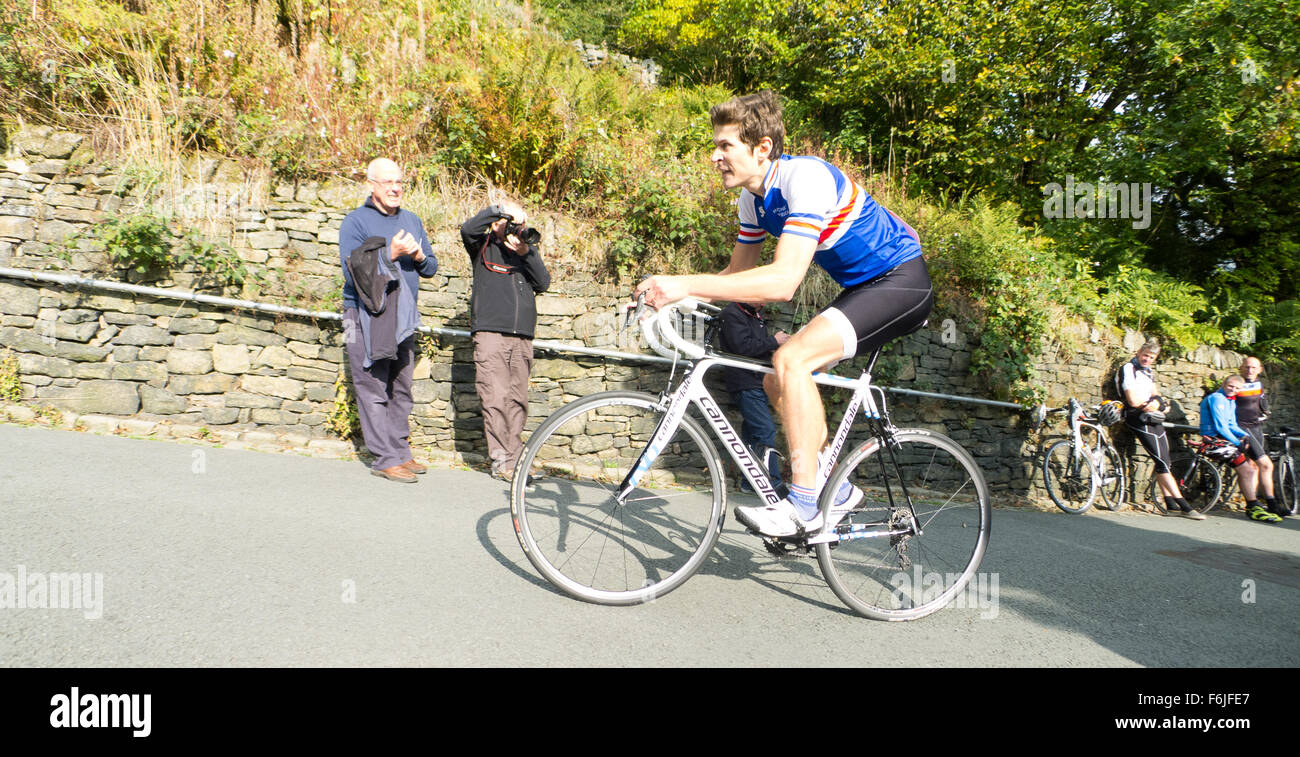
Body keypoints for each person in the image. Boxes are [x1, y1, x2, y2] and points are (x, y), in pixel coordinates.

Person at [633, 90, 933, 537]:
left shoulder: (804, 178)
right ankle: (839, 489)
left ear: (762, 148)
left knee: (793, 359)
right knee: (777, 374)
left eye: (725, 146)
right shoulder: (752, 201)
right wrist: (672, 296)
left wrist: (683, 282)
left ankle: (805, 505)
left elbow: (783, 281)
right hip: (863, 288)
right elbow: (738, 277)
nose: (714, 156)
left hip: (902, 282)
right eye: (714, 145)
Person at [338, 158, 439, 483]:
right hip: (364, 314)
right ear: (371, 185)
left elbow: (431, 268)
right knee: (372, 386)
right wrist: (390, 254)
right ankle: (384, 459)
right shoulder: (356, 222)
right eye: (387, 183)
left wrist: (419, 256)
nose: (395, 188)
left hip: (403, 317)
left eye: (399, 182)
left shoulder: (412, 219)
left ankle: (400, 452)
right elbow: (352, 272)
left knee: (401, 385)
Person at [460, 200, 551, 482]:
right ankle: (502, 461)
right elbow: (467, 229)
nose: (516, 228)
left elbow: (544, 282)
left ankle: (517, 458)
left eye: (519, 223)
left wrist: (527, 252)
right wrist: (500, 212)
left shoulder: (523, 251)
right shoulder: (483, 245)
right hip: (491, 333)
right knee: (496, 397)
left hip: (522, 334)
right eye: (512, 223)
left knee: (517, 400)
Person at [1114, 340, 1204, 519]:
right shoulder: (1128, 368)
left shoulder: (1148, 372)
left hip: (1153, 418)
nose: (1147, 359)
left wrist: (1157, 404)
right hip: (1137, 418)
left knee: (1164, 461)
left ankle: (1170, 504)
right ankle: (1184, 506)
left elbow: (1157, 396)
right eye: (1145, 355)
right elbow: (1132, 401)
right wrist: (1154, 404)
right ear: (1139, 352)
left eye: (1151, 357)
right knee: (1162, 462)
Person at [717, 301, 790, 494]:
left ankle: (750, 482)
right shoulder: (732, 313)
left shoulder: (753, 313)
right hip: (745, 381)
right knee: (765, 431)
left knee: (752, 434)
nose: (765, 301)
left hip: (757, 381)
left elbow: (755, 347)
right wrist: (774, 341)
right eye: (763, 296)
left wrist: (773, 349)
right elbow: (742, 347)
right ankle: (772, 485)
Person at [1201, 375, 1281, 523]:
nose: (1233, 390)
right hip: (1214, 440)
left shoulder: (1230, 400)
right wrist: (1237, 442)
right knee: (1248, 470)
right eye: (1231, 386)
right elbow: (1220, 426)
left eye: (1237, 388)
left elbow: (1232, 425)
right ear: (1224, 383)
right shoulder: (1217, 398)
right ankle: (1252, 506)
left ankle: (1253, 504)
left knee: (1251, 469)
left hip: (1224, 439)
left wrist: (1246, 436)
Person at [1236, 356, 1284, 516]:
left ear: (1260, 370)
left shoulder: (1258, 384)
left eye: (1253, 368)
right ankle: (1272, 503)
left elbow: (1261, 402)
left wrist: (1265, 412)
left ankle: (1254, 502)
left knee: (1254, 466)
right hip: (1243, 428)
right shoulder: (1235, 383)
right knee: (1267, 465)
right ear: (1241, 368)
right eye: (1247, 367)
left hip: (1256, 428)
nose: (1250, 370)